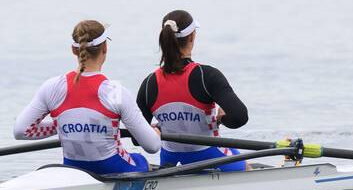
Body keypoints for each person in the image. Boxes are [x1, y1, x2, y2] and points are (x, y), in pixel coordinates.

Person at [13, 19, 159, 174]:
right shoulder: (115, 91)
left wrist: (63, 125)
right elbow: (152, 146)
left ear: (73, 50)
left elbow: (22, 130)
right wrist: (156, 132)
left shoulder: (53, 87)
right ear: (105, 48)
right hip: (114, 169)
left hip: (74, 170)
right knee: (140, 159)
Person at [136, 10, 249, 171]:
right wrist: (221, 119)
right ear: (192, 37)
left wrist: (159, 128)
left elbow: (136, 138)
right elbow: (239, 117)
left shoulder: (148, 84)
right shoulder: (206, 76)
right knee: (246, 166)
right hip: (212, 158)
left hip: (171, 164)